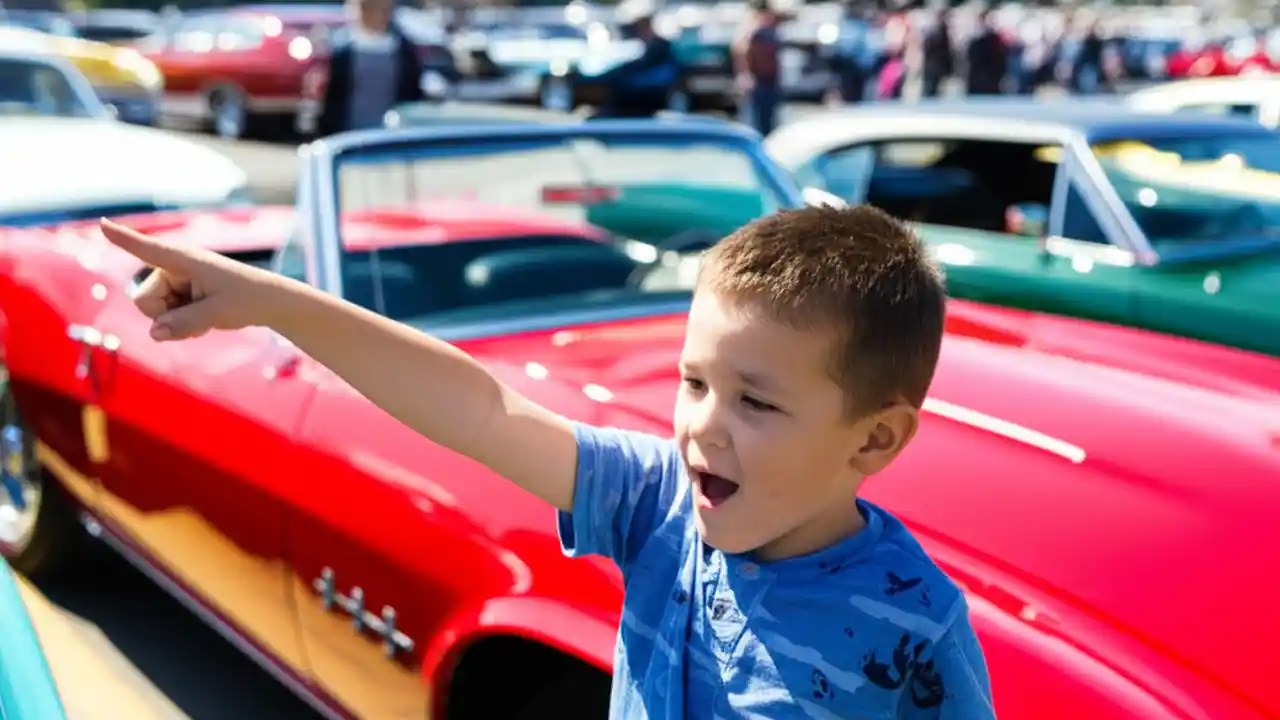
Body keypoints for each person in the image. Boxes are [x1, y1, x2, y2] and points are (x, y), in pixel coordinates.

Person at [97, 204, 996, 719]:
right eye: (693, 383)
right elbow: (482, 410)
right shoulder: (661, 505)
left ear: (874, 439)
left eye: (755, 401)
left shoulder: (914, 628)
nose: (702, 429)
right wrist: (268, 300)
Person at [316, 0, 425, 136]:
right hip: (348, 134)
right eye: (366, 8)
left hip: (392, 136)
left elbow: (413, 95)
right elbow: (330, 98)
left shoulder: (403, 51)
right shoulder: (342, 50)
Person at [591, 1, 680, 118]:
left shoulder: (660, 46)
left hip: (650, 92)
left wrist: (620, 72)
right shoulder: (652, 46)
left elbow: (643, 65)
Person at [732, 0, 782, 135]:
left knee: (769, 121)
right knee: (754, 123)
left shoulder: (770, 27)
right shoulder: (753, 27)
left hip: (770, 79)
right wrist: (745, 74)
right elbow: (741, 50)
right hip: (757, 80)